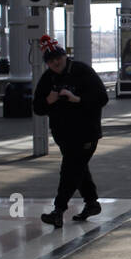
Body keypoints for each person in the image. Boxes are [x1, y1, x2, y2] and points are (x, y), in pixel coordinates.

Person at [32, 35, 109, 228]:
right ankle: (92, 203)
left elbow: (102, 97)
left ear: (65, 56)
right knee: (78, 169)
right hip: (63, 135)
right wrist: (49, 100)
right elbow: (37, 107)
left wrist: (77, 99)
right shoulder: (48, 78)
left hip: (86, 133)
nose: (56, 63)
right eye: (51, 61)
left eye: (58, 58)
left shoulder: (82, 71)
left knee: (69, 170)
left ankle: (58, 210)